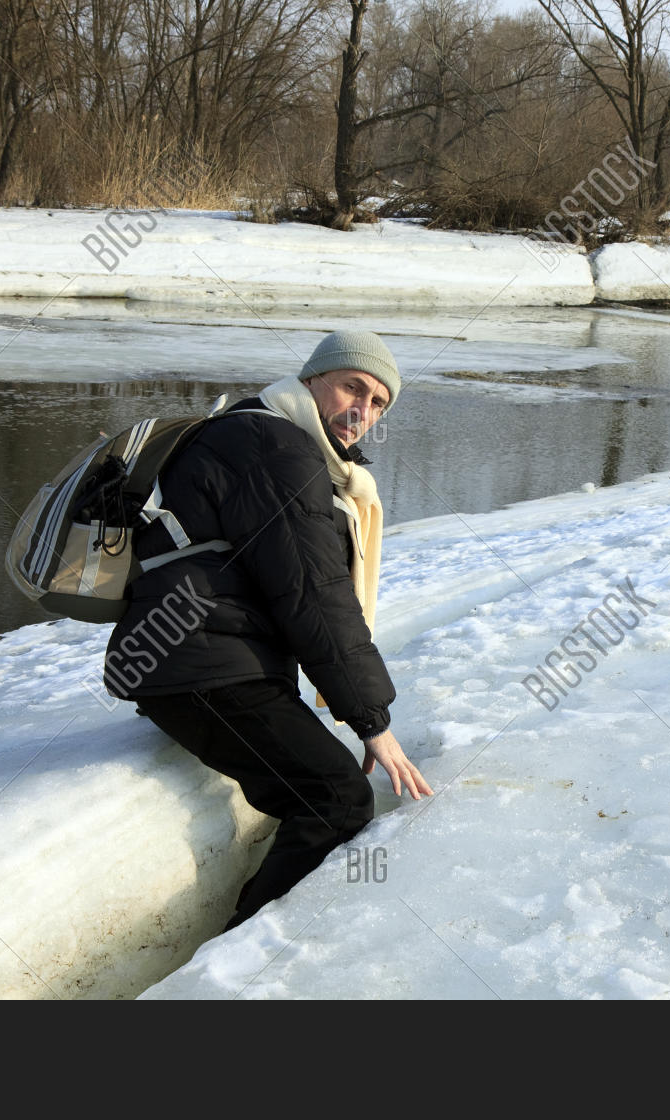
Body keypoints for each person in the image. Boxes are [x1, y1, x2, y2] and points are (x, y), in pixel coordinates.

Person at [104, 329, 433, 931]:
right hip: (197, 665)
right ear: (312, 380)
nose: (361, 412)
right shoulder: (274, 446)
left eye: (379, 402)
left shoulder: (258, 430)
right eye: (351, 388)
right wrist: (373, 722)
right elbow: (313, 594)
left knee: (322, 788)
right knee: (336, 800)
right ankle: (238, 956)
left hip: (195, 657)